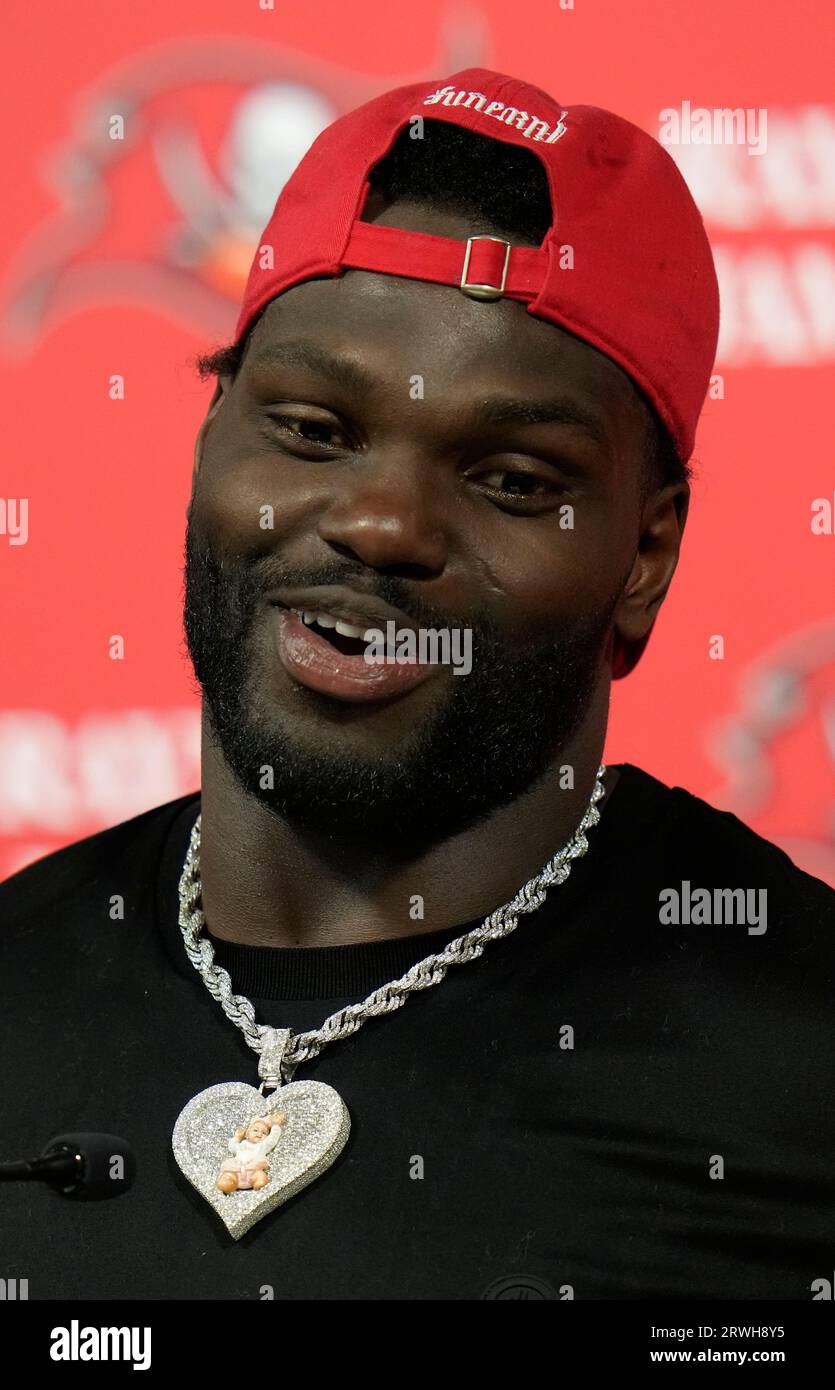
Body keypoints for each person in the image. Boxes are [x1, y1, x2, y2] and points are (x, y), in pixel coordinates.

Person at [1, 67, 832, 1301]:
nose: (383, 524)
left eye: (507, 478)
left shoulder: (796, 1069)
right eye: (311, 430)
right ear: (208, 435)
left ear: (645, 555)